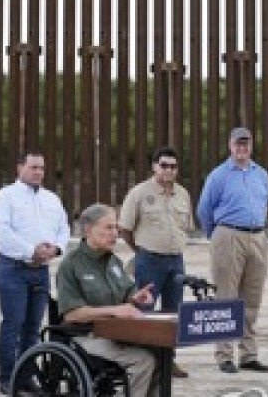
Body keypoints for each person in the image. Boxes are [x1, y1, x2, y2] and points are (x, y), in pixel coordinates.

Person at [56, 203, 159, 396]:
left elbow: (127, 293)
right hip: (86, 336)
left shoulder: (114, 261)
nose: (115, 234)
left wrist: (136, 298)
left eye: (116, 229)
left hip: (118, 332)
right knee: (143, 361)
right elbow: (72, 314)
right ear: (88, 230)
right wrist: (115, 310)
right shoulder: (71, 265)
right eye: (108, 228)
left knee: (161, 353)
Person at [0, 151, 70, 394]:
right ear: (20, 168)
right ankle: (7, 378)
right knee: (13, 324)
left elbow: (64, 227)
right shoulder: (6, 197)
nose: (38, 173)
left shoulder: (52, 199)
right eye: (33, 167)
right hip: (13, 267)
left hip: (41, 271)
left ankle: (25, 376)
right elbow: (2, 234)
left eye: (42, 168)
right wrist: (31, 250)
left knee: (33, 328)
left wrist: (56, 248)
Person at [196, 126, 268, 373]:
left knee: (252, 298)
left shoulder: (261, 174)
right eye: (238, 144)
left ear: (251, 146)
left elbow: (265, 202)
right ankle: (224, 355)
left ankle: (249, 355)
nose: (242, 148)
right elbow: (204, 209)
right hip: (229, 234)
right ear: (230, 146)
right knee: (226, 297)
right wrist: (217, 236)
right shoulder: (218, 175)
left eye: (246, 144)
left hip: (257, 236)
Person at [118, 146, 194, 378]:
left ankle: (167, 361)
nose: (169, 170)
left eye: (173, 166)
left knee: (173, 312)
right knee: (145, 312)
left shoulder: (182, 194)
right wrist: (141, 251)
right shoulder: (139, 193)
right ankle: (144, 363)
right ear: (154, 166)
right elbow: (125, 228)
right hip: (149, 259)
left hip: (176, 260)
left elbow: (187, 226)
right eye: (164, 165)